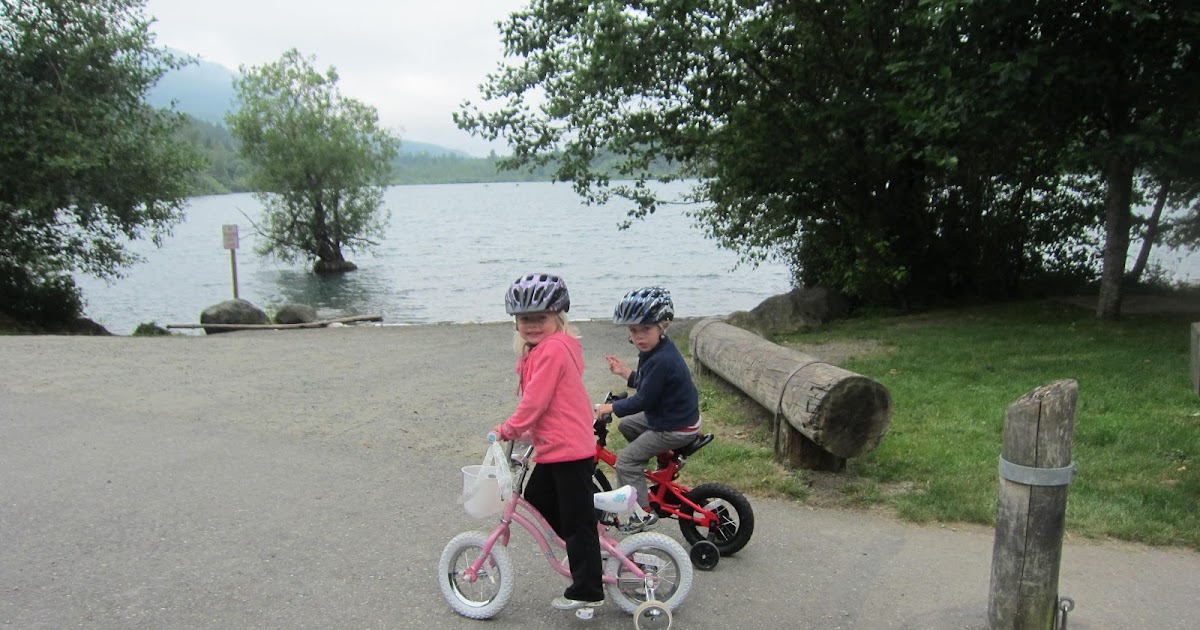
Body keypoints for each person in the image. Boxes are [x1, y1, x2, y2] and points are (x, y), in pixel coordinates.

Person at [488, 272, 605, 611]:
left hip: (570, 450)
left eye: (540, 318)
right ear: (516, 322)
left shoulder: (553, 350)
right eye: (525, 319)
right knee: (538, 495)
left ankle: (587, 587)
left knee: (577, 520)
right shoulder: (538, 350)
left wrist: (509, 428)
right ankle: (587, 544)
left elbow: (535, 402)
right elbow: (546, 406)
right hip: (556, 448)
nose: (532, 325)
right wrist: (524, 434)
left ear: (558, 317)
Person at [593, 287, 701, 534]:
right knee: (627, 425)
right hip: (672, 416)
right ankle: (664, 460)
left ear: (662, 326)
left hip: (675, 426)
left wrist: (611, 407)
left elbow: (643, 400)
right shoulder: (654, 351)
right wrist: (624, 372)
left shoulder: (661, 359)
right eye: (634, 330)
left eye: (646, 329)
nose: (640, 336)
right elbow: (648, 383)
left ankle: (641, 515)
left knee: (626, 463)